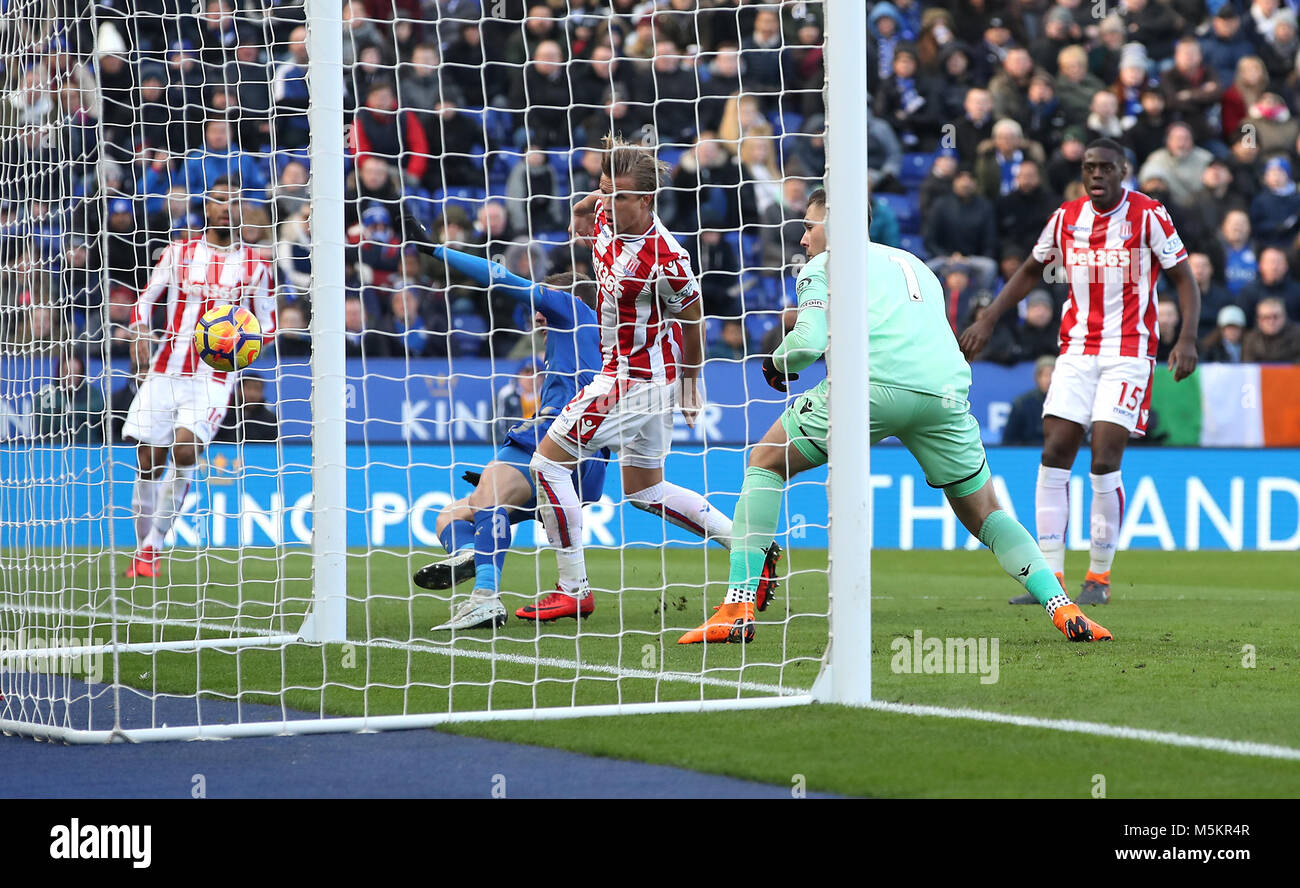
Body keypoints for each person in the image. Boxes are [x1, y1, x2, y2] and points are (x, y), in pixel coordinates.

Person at [681, 189, 1110, 645]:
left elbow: (806, 342)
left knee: (765, 462)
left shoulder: (825, 265)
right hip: (945, 392)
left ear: (837, 221)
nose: (803, 239)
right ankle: (1063, 608)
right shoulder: (916, 264)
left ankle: (737, 605)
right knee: (986, 512)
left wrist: (777, 362)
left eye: (809, 226)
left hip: (871, 387)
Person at [519, 135, 763, 623]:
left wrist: (693, 383)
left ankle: (573, 588)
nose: (607, 202)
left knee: (547, 466)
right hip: (637, 375)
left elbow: (694, 321)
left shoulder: (666, 260)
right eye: (604, 191)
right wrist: (589, 201)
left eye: (619, 195)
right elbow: (595, 201)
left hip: (635, 380)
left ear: (646, 200)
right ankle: (752, 548)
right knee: (645, 490)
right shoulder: (607, 214)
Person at [961, 138, 1200, 608]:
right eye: (1090, 167)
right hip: (1075, 349)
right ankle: (1048, 578)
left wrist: (1186, 337)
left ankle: (1099, 577)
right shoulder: (1066, 218)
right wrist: (988, 318)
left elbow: (1184, 278)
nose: (1096, 175)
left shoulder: (1149, 214)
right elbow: (1031, 270)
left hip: (1130, 350)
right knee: (1054, 451)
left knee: (1105, 455)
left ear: (1123, 170)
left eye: (1105, 168)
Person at [122, 177, 277, 578]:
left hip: (214, 378)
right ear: (206, 208)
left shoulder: (257, 267)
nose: (226, 208)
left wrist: (245, 345)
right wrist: (140, 330)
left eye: (234, 202)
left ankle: (152, 547)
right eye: (219, 201)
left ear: (243, 211)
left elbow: (270, 325)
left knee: (186, 450)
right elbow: (144, 301)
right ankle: (143, 543)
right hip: (165, 369)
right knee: (148, 462)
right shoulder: (178, 253)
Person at [33, 352, 105, 444]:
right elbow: (46, 423)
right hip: (53, 448)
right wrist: (78, 420)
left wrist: (67, 410)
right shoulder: (47, 392)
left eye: (76, 372)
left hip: (87, 447)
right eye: (67, 372)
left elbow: (98, 412)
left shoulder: (91, 392)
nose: (72, 377)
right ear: (60, 372)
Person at [1002, 356, 1056, 446]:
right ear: (1037, 378)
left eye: (1052, 375)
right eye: (1045, 375)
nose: (1049, 380)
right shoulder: (1021, 404)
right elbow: (1009, 441)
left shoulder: (1066, 404)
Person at [1243, 297, 1300, 362]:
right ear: (1258, 320)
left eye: (1275, 317)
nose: (1271, 322)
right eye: (1266, 317)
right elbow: (1249, 367)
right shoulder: (1250, 339)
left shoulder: (1297, 335)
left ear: (1284, 317)